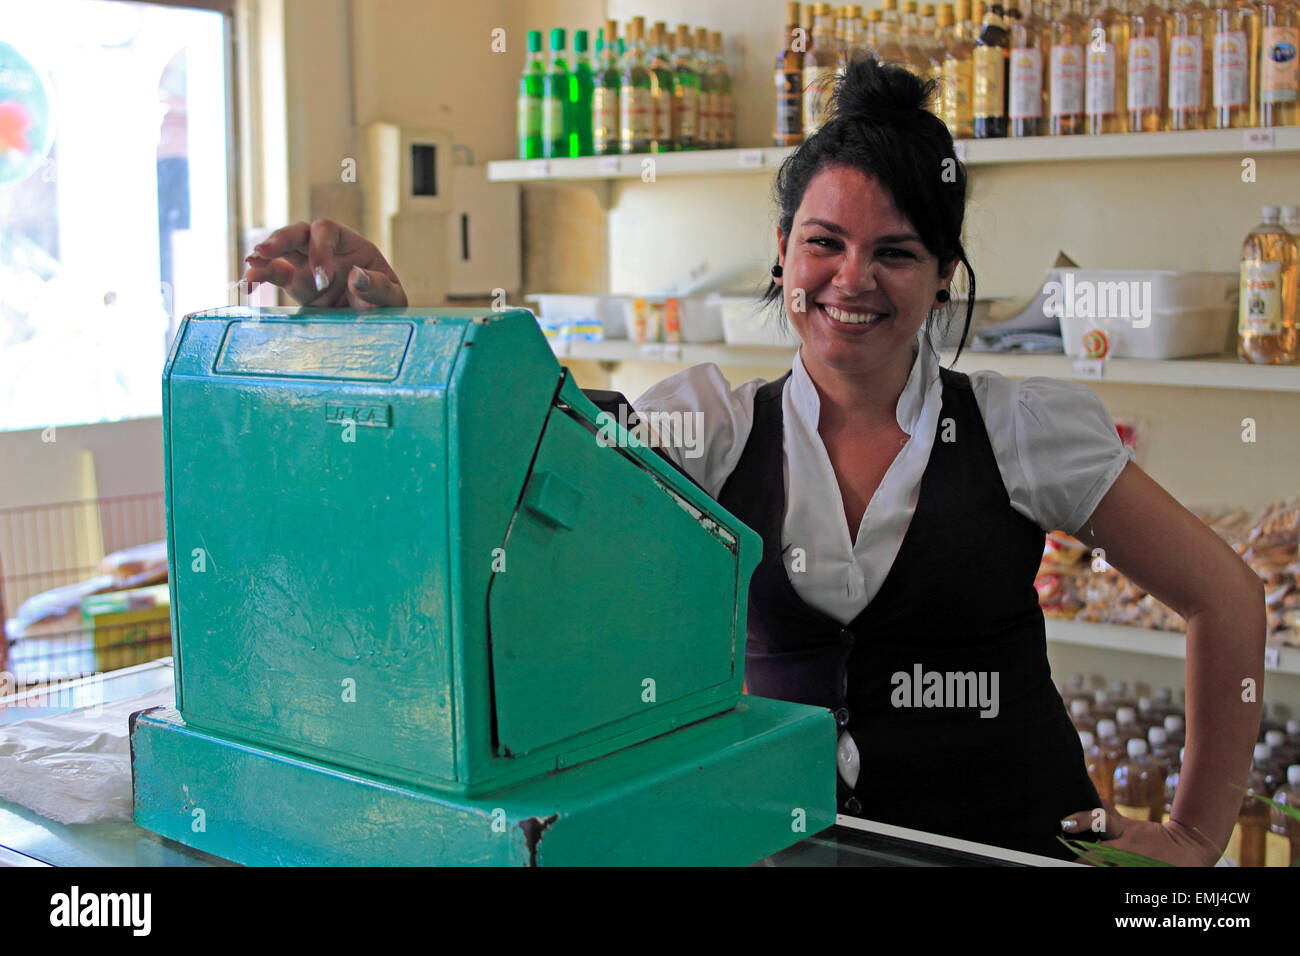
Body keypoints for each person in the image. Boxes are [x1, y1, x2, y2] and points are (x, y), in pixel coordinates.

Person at [242, 57, 1263, 866]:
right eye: (824, 242)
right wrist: (391, 327)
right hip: (781, 848)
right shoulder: (707, 426)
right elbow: (509, 466)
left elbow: (1227, 599)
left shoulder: (1022, 428)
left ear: (942, 274)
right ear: (781, 249)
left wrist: (1192, 834)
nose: (850, 279)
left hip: (1002, 848)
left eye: (895, 252)